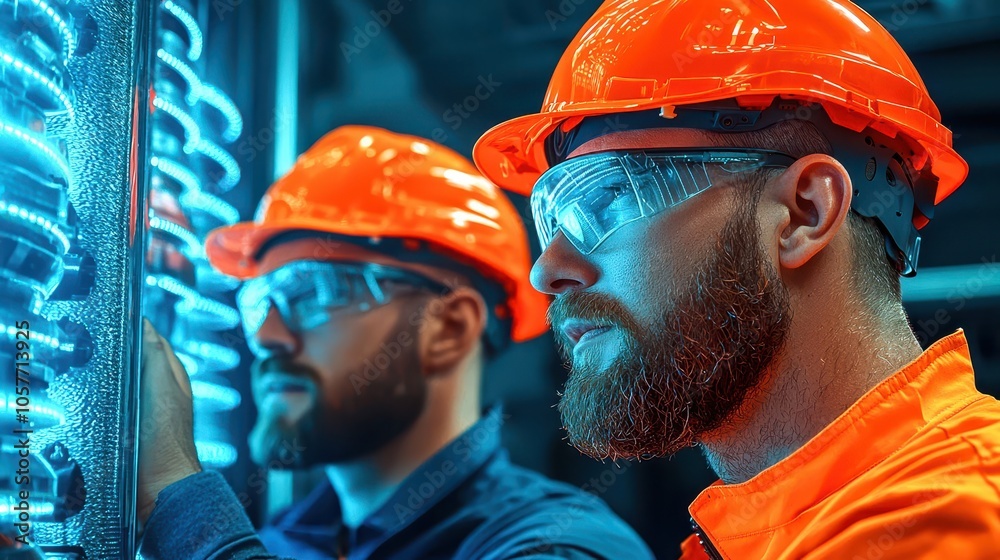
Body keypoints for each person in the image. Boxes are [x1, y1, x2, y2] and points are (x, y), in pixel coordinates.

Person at [472, 1, 1000, 558]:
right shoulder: (769, 532)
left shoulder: (941, 520)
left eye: (610, 197)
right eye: (553, 217)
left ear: (803, 214)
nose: (547, 270)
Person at [136, 126, 654, 559]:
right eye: (260, 303)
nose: (268, 337)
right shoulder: (281, 543)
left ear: (449, 330)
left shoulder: (558, 545)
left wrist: (174, 497)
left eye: (314, 294)